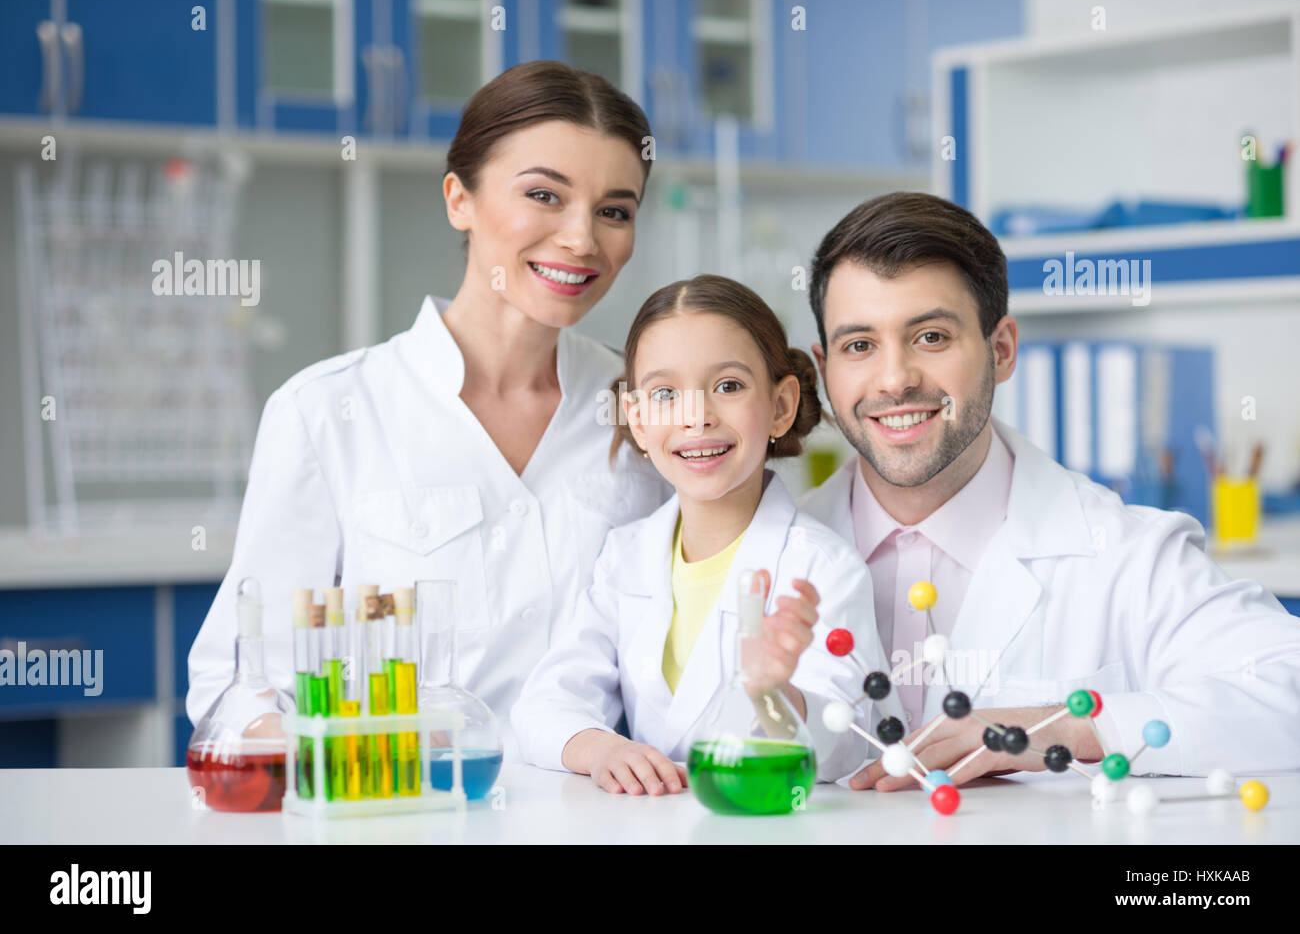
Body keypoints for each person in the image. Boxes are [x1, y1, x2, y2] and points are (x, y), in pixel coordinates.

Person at [187, 61, 671, 759]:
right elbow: (236, 684)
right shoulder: (328, 412)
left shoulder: (647, 410)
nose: (580, 239)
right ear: (459, 200)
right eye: (544, 194)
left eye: (614, 211)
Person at [798, 191, 1300, 790]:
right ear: (824, 367)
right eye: (860, 346)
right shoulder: (772, 550)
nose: (895, 378)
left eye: (931, 337)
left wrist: (1068, 728)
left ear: (1002, 349)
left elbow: (1286, 685)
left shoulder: (1124, 553)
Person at [512, 275, 902, 795]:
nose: (696, 417)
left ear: (781, 407)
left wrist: (773, 693)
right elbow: (545, 703)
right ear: (638, 419)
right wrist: (603, 747)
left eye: (729, 386)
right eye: (666, 393)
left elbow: (849, 740)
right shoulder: (625, 557)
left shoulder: (822, 567)